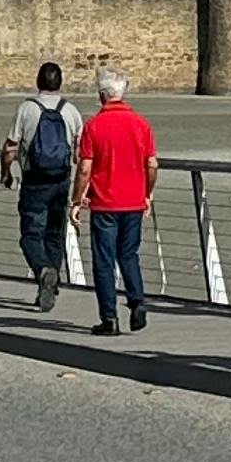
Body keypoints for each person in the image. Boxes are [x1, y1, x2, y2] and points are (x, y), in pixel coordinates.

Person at [73, 69, 159, 336]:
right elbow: (152, 164)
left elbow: (85, 168)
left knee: (104, 261)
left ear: (102, 95)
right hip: (133, 201)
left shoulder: (94, 126)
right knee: (129, 255)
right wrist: (147, 192)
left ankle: (109, 317)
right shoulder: (141, 124)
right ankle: (137, 301)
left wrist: (76, 199)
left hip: (104, 203)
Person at [1, 63, 83, 311]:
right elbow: (80, 154)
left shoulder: (27, 109)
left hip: (34, 180)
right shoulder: (71, 111)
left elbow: (10, 148)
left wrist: (6, 173)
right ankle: (50, 286)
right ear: (60, 82)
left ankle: (43, 270)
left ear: (38, 81)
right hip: (61, 179)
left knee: (30, 235)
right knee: (55, 235)